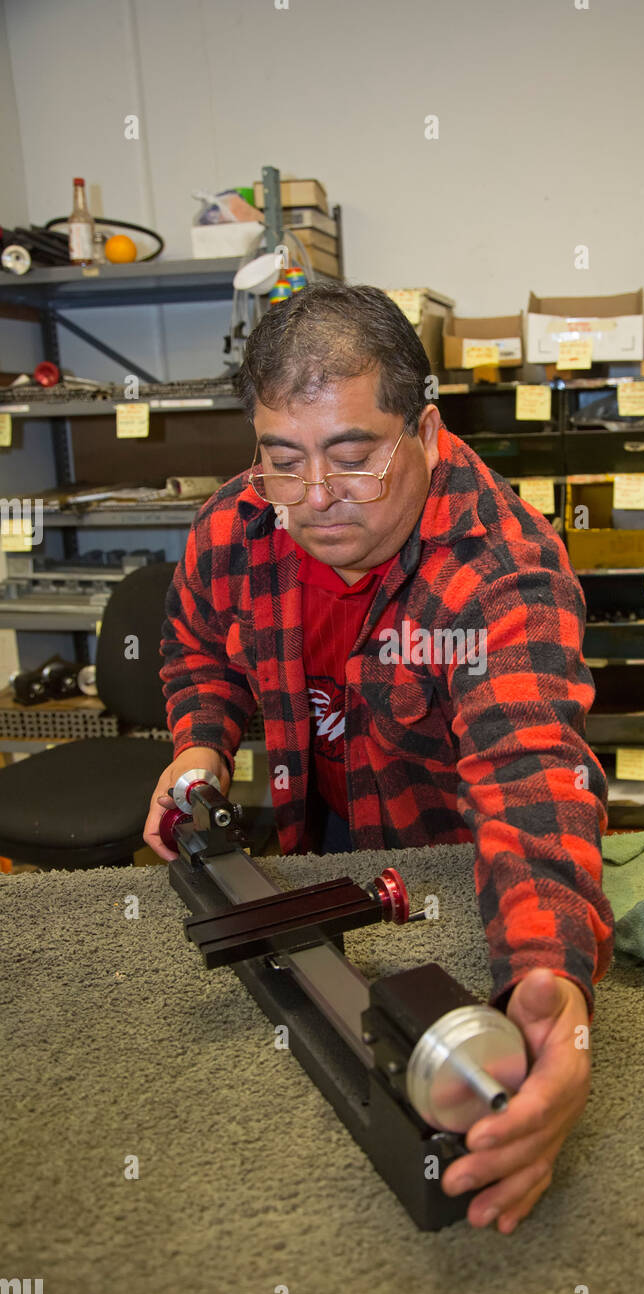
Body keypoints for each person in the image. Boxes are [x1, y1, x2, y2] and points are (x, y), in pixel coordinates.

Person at [143, 282, 614, 1234]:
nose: (314, 499)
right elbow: (197, 648)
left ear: (427, 430)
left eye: (354, 456)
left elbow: (531, 782)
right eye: (284, 460)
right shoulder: (241, 523)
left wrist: (547, 985)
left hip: (440, 884)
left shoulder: (499, 571)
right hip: (302, 852)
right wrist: (200, 741)